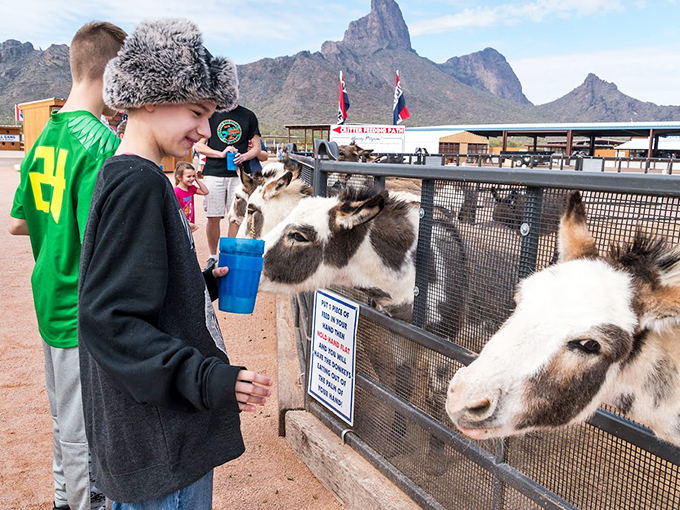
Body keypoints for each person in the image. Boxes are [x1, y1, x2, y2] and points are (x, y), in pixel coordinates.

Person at [78, 18, 272, 509]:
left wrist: (196, 285)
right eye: (196, 112)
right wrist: (209, 379)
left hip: (154, 444)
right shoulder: (138, 184)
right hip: (160, 452)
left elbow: (134, 291)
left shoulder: (128, 174)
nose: (206, 131)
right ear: (149, 97)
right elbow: (110, 321)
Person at [8, 22, 127, 510]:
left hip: (49, 297)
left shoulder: (44, 135)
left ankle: (64, 500)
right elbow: (99, 241)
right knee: (84, 436)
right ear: (114, 75)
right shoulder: (101, 143)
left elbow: (17, 224)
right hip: (82, 312)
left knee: (65, 426)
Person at [194, 103, 262, 264]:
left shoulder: (248, 115)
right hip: (213, 173)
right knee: (213, 216)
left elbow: (257, 147)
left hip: (239, 175)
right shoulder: (211, 114)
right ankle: (212, 256)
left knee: (236, 218)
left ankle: (229, 256)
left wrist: (244, 157)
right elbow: (199, 145)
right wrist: (220, 154)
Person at [174, 161, 209, 232]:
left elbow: (205, 192)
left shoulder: (191, 188)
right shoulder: (176, 191)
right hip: (181, 222)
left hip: (189, 221)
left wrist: (197, 179)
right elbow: (174, 209)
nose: (192, 178)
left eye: (193, 176)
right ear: (179, 177)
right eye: (188, 176)